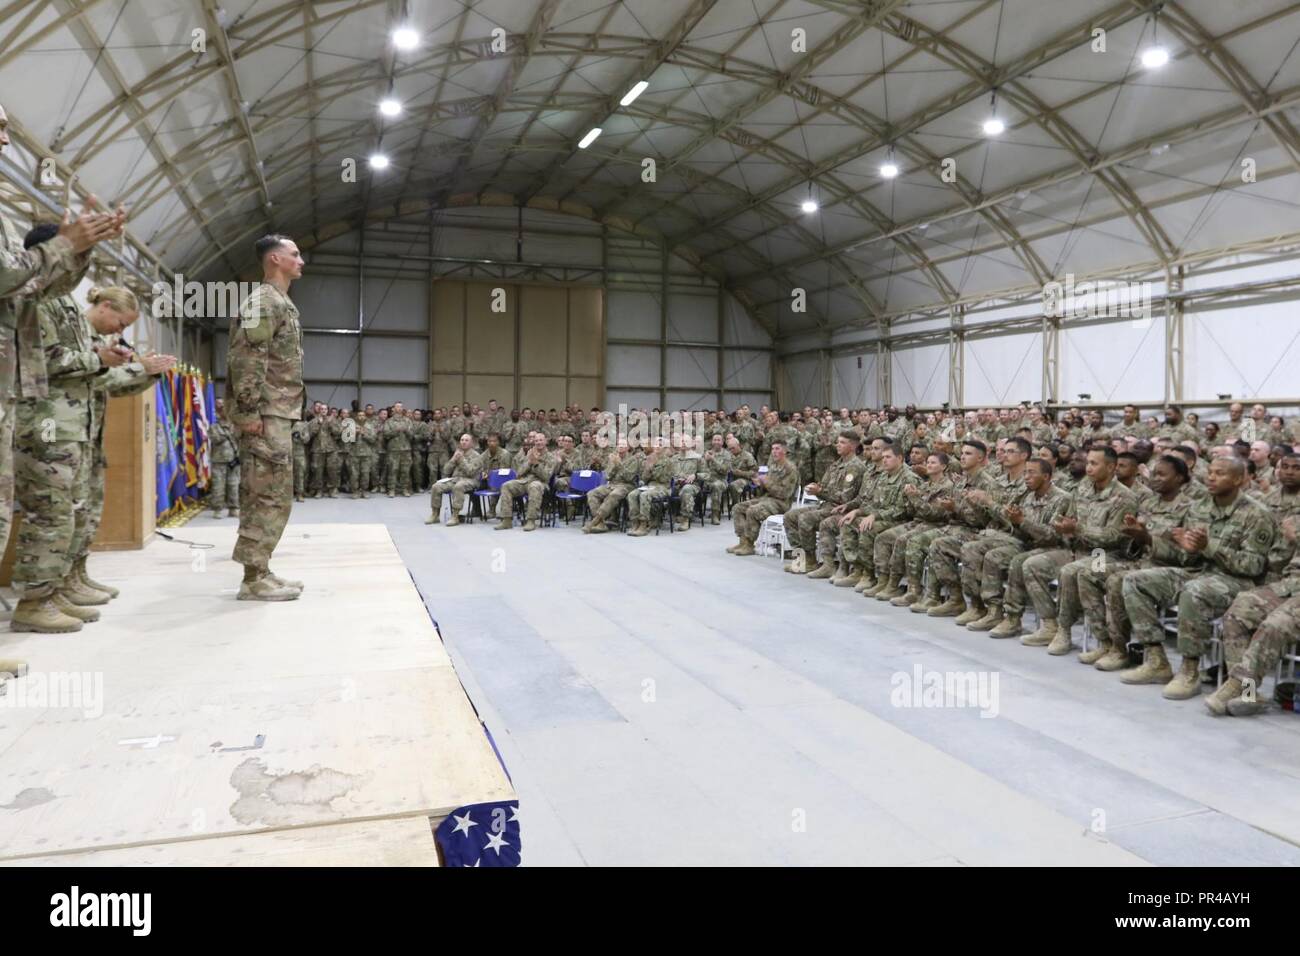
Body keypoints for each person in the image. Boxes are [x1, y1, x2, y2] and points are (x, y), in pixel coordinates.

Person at [1120, 457, 1276, 699]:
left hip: (1237, 582)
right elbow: (1187, 559)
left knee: (1193, 590)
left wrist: (1208, 547)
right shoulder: (1199, 507)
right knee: (1134, 580)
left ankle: (1190, 670)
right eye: (1210, 472)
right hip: (1199, 572)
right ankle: (1156, 659)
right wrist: (1182, 547)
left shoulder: (1257, 513)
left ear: (1237, 479)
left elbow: (1254, 566)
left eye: (1220, 473)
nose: (1211, 477)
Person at [228, 234, 306, 601]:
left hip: (278, 411)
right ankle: (252, 579)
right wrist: (247, 412)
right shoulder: (263, 302)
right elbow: (247, 359)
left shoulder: (281, 302)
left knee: (275, 494)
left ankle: (261, 569)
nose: (301, 260)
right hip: (265, 412)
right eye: (294, 254)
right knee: (264, 494)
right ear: (275, 259)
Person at [728, 441, 799, 556]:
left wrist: (767, 483)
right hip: (767, 499)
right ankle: (743, 541)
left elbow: (785, 494)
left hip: (780, 503)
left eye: (777, 449)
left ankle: (749, 544)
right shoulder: (773, 466)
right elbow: (765, 489)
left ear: (785, 451)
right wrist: (760, 484)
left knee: (753, 510)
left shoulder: (790, 469)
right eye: (773, 449)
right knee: (738, 508)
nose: (774, 452)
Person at [496, 432, 556, 531]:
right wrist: (529, 462)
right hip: (525, 481)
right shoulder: (529, 454)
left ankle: (531, 520)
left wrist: (536, 464)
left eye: (541, 440)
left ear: (545, 442)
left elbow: (546, 476)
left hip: (540, 483)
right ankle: (506, 520)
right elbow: (519, 473)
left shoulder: (551, 457)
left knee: (534, 486)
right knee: (506, 486)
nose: (538, 442)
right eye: (536, 441)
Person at [427, 433, 481, 525]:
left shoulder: (476, 455)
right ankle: (435, 515)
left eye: (466, 440)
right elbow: (446, 470)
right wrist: (453, 459)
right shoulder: (458, 453)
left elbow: (470, 472)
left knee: (458, 486)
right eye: (462, 440)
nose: (463, 442)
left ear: (472, 443)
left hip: (471, 480)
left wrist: (461, 460)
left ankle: (455, 516)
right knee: (436, 486)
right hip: (456, 479)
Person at [207, 398, 239, 517]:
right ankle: (217, 509)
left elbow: (240, 439)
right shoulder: (214, 427)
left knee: (233, 485)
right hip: (218, 460)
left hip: (233, 460)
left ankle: (234, 507)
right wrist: (226, 431)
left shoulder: (234, 426)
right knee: (218, 485)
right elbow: (216, 439)